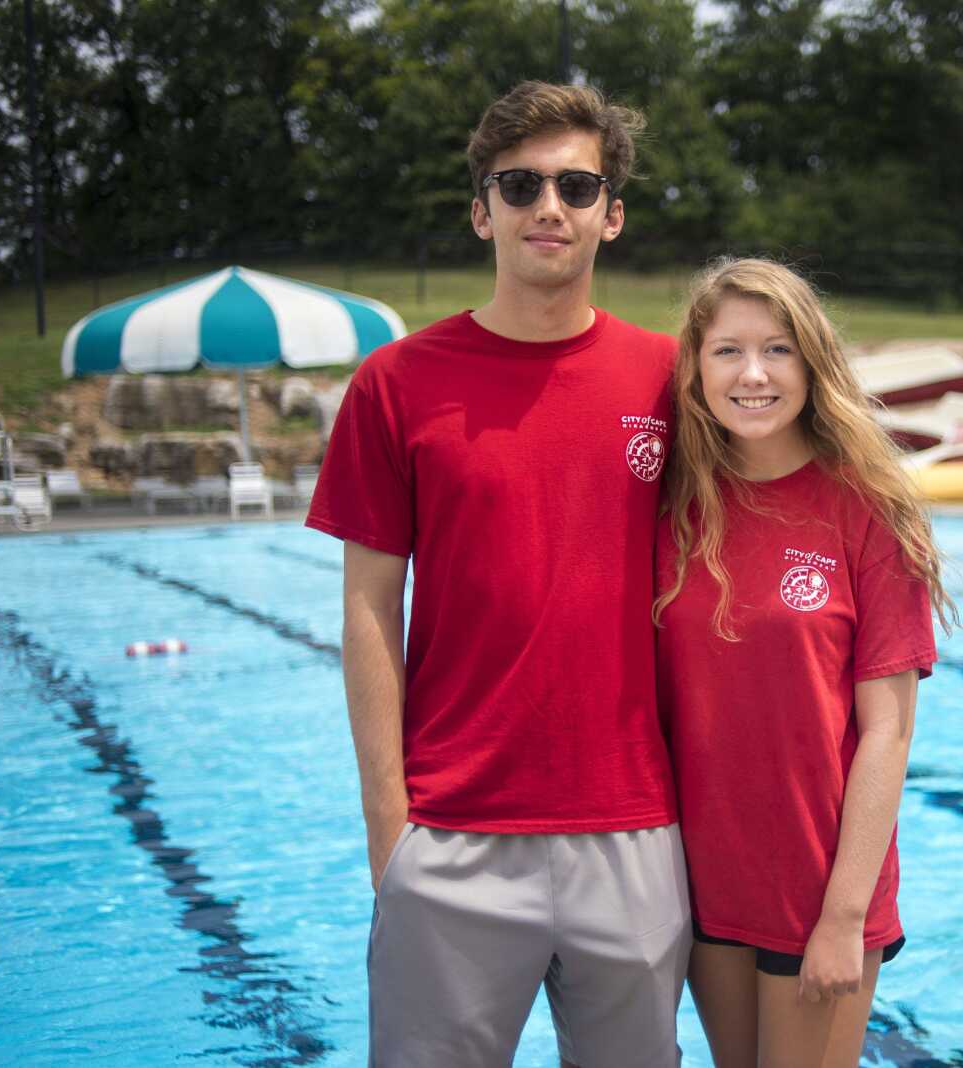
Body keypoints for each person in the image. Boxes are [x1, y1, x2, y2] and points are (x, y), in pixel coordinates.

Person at [306, 81, 690, 1067]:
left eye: (575, 186)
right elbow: (367, 611)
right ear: (482, 212)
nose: (547, 206)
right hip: (451, 833)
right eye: (519, 186)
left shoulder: (672, 379)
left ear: (611, 213)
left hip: (634, 829)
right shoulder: (396, 384)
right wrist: (390, 831)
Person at [653, 259, 957, 1067]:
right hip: (706, 887)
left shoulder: (867, 508)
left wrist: (844, 917)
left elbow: (888, 732)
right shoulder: (675, 505)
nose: (752, 374)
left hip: (820, 888)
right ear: (696, 368)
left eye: (777, 349)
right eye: (728, 351)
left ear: (812, 363)